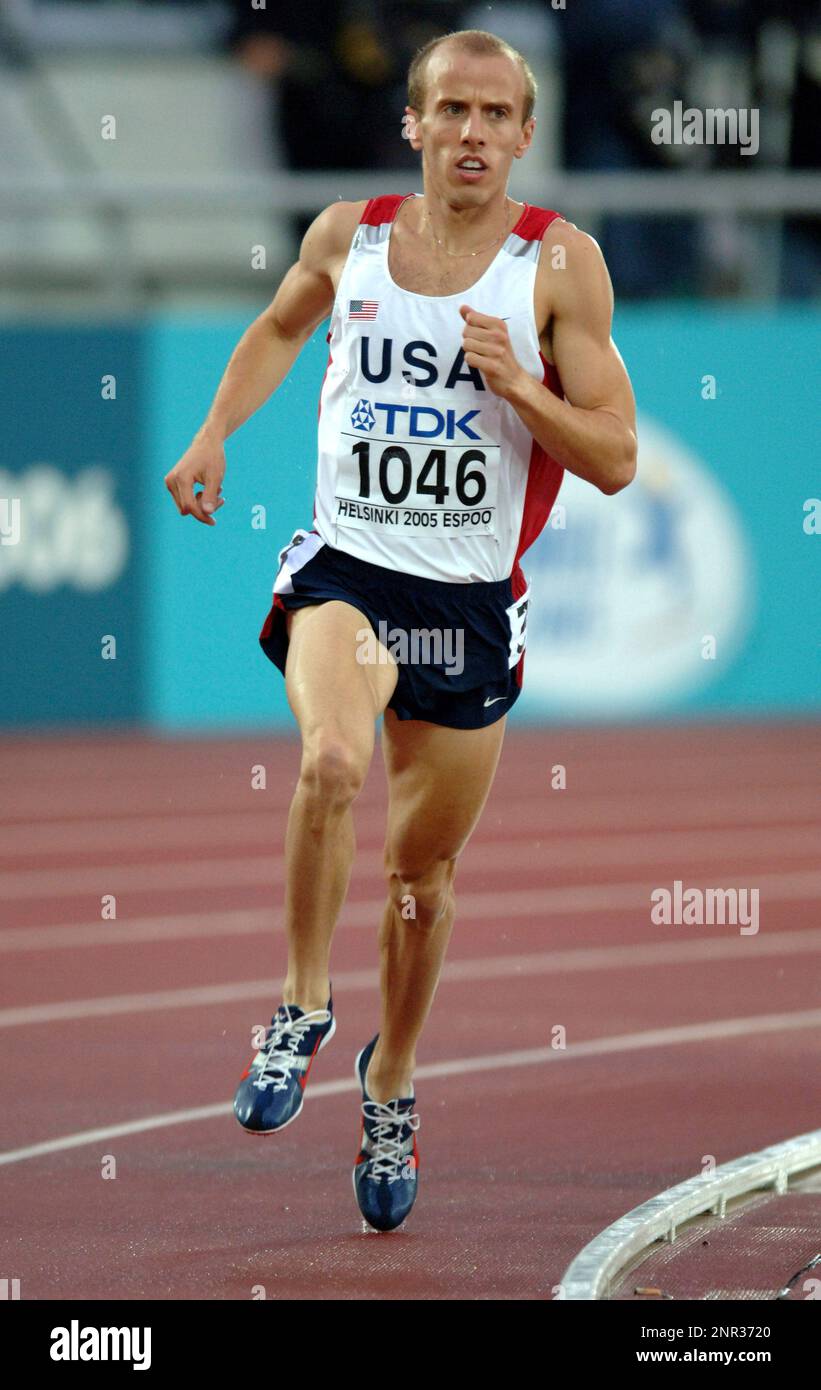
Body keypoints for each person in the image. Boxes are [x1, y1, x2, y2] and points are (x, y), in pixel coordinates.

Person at [164, 27, 638, 1233]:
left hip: (469, 605)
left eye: (495, 114)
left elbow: (617, 458)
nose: (471, 132)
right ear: (413, 125)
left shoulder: (557, 268)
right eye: (450, 110)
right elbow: (278, 327)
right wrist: (215, 431)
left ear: (525, 136)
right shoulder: (348, 235)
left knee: (420, 879)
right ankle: (301, 1005)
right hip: (351, 572)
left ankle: (392, 1080)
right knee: (328, 760)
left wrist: (519, 386)